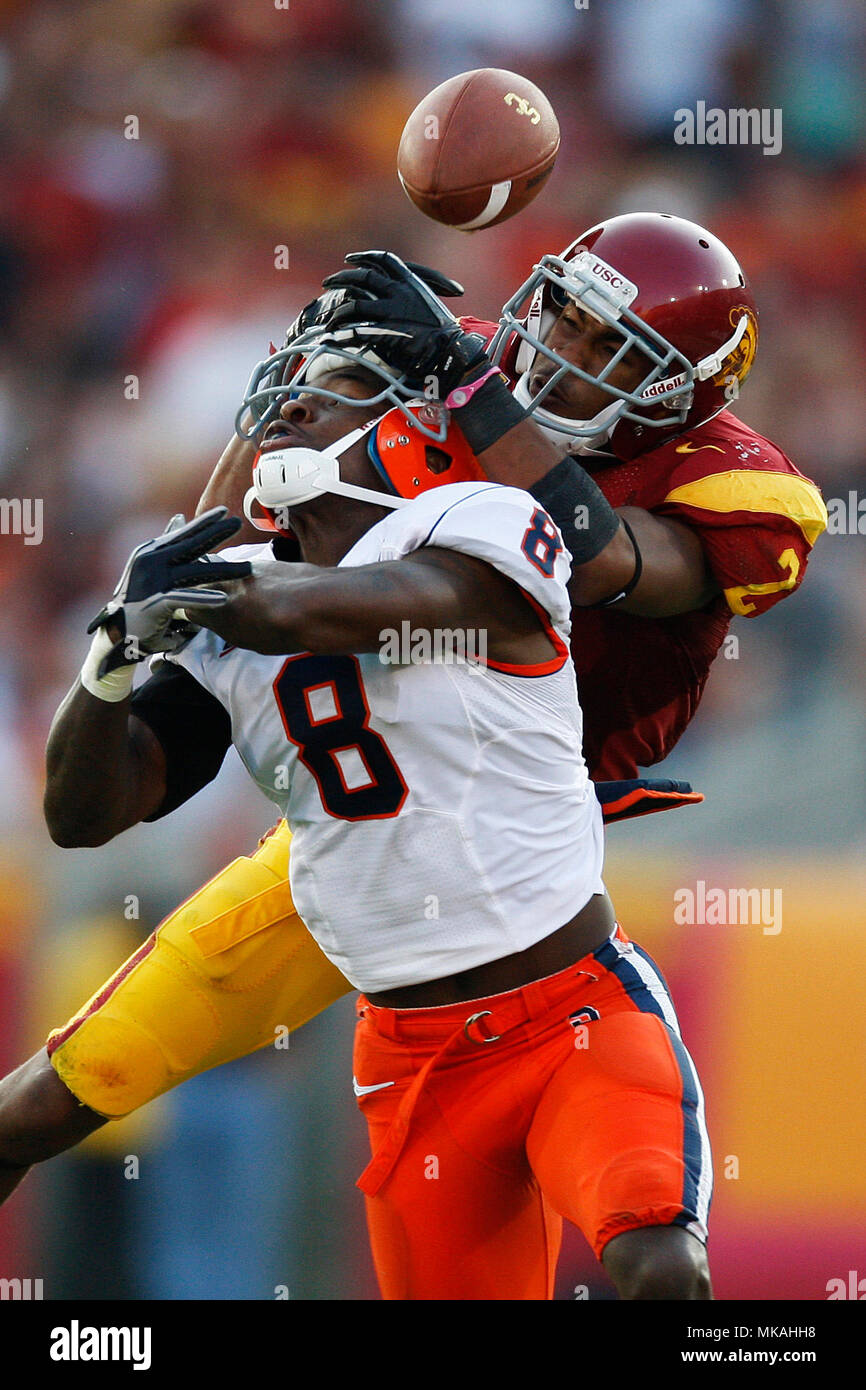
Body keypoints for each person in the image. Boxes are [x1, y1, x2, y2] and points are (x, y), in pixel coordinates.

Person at [0, 217, 824, 1279]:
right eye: (560, 319)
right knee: (43, 1099)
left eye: (602, 347)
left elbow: (594, 556)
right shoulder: (397, 444)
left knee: (652, 1255)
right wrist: (136, 627)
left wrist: (459, 393)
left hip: (516, 830)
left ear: (676, 398)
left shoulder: (507, 506)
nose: (557, 356)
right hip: (348, 860)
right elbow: (213, 572)